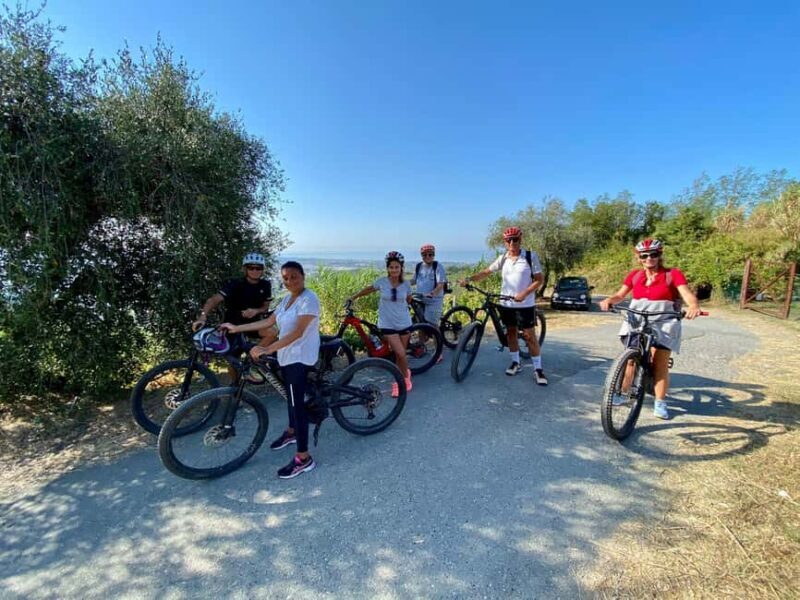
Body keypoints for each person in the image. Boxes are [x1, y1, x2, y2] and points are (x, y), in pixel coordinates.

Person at [220, 261, 320, 479]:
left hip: (300, 357)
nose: (289, 281)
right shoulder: (286, 299)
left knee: (297, 405)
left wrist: (267, 348)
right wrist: (236, 328)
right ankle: (292, 432)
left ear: (303, 276)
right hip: (286, 355)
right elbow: (267, 322)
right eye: (285, 278)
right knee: (289, 397)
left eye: (294, 276)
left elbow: (298, 333)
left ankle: (304, 458)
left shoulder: (309, 299)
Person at [598, 239, 702, 420]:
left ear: (660, 255)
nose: (649, 258)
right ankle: (622, 393)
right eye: (644, 255)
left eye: (653, 254)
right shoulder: (635, 275)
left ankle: (660, 402)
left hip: (664, 321)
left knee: (659, 365)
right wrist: (609, 300)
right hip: (637, 320)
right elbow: (620, 295)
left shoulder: (672, 274)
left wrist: (693, 306)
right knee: (630, 359)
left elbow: (686, 294)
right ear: (638, 258)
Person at [459, 226, 548, 386]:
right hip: (506, 303)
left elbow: (539, 279)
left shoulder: (530, 256)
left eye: (515, 239)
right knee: (511, 333)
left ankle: (538, 369)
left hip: (525, 305)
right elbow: (486, 272)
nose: (512, 243)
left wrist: (524, 293)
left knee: (529, 336)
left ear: (520, 240)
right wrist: (469, 279)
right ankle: (515, 363)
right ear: (505, 242)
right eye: (508, 240)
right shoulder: (503, 258)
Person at [349, 251, 414, 396]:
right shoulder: (382, 282)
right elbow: (369, 289)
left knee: (400, 355)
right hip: (387, 323)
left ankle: (403, 375)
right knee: (400, 353)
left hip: (404, 322)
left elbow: (409, 299)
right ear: (387, 268)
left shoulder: (406, 284)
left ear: (401, 268)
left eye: (397, 267)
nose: (394, 270)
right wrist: (354, 297)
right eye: (391, 267)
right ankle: (403, 380)